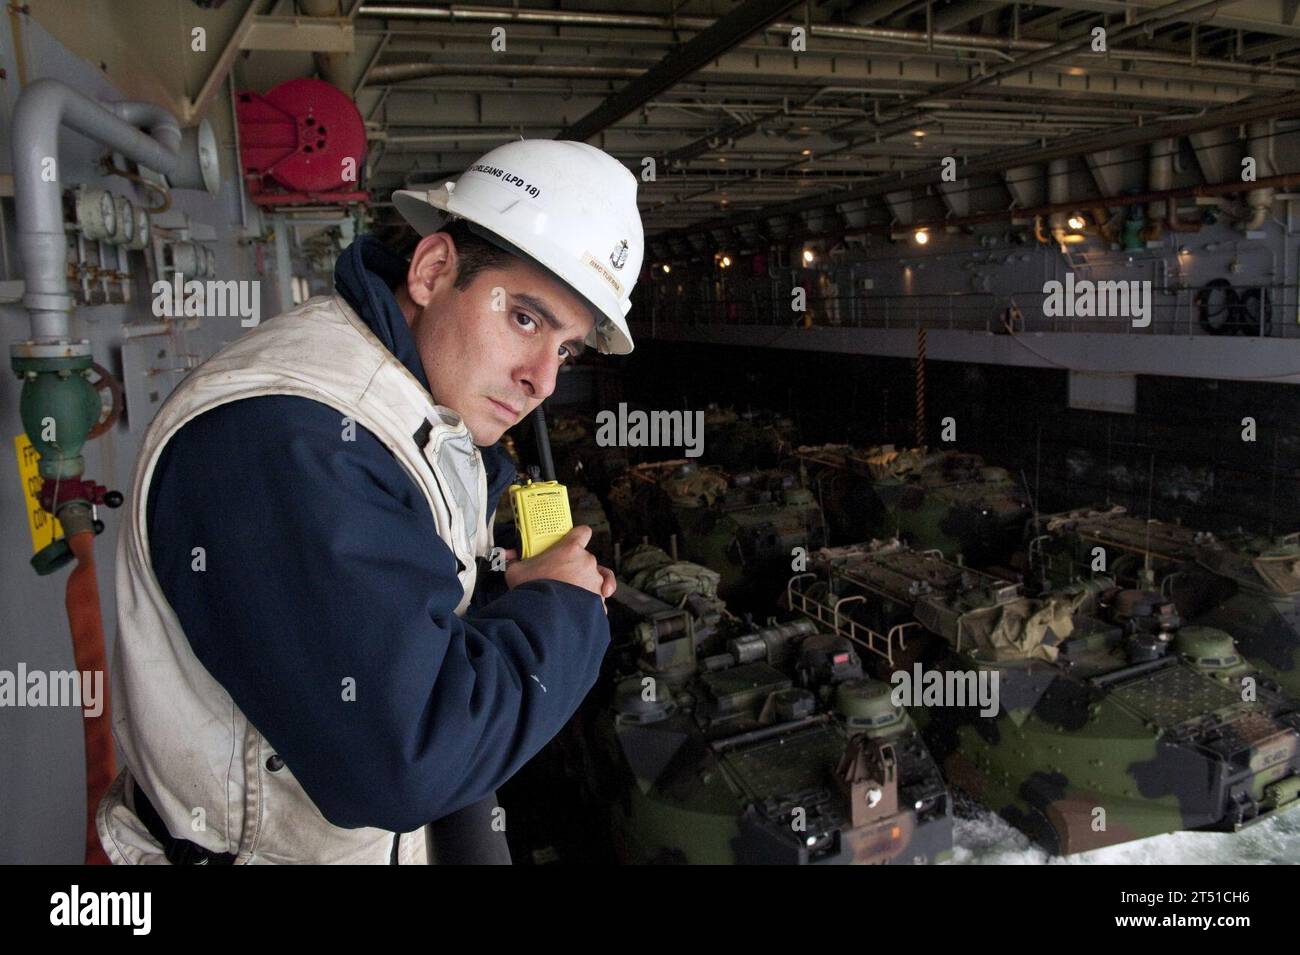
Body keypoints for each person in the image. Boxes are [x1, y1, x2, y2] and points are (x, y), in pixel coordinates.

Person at [96, 139, 644, 864]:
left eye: (567, 349)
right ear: (433, 269)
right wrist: (563, 610)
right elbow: (407, 756)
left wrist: (502, 590)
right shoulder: (292, 439)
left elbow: (380, 615)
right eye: (525, 319)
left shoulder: (409, 407)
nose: (543, 379)